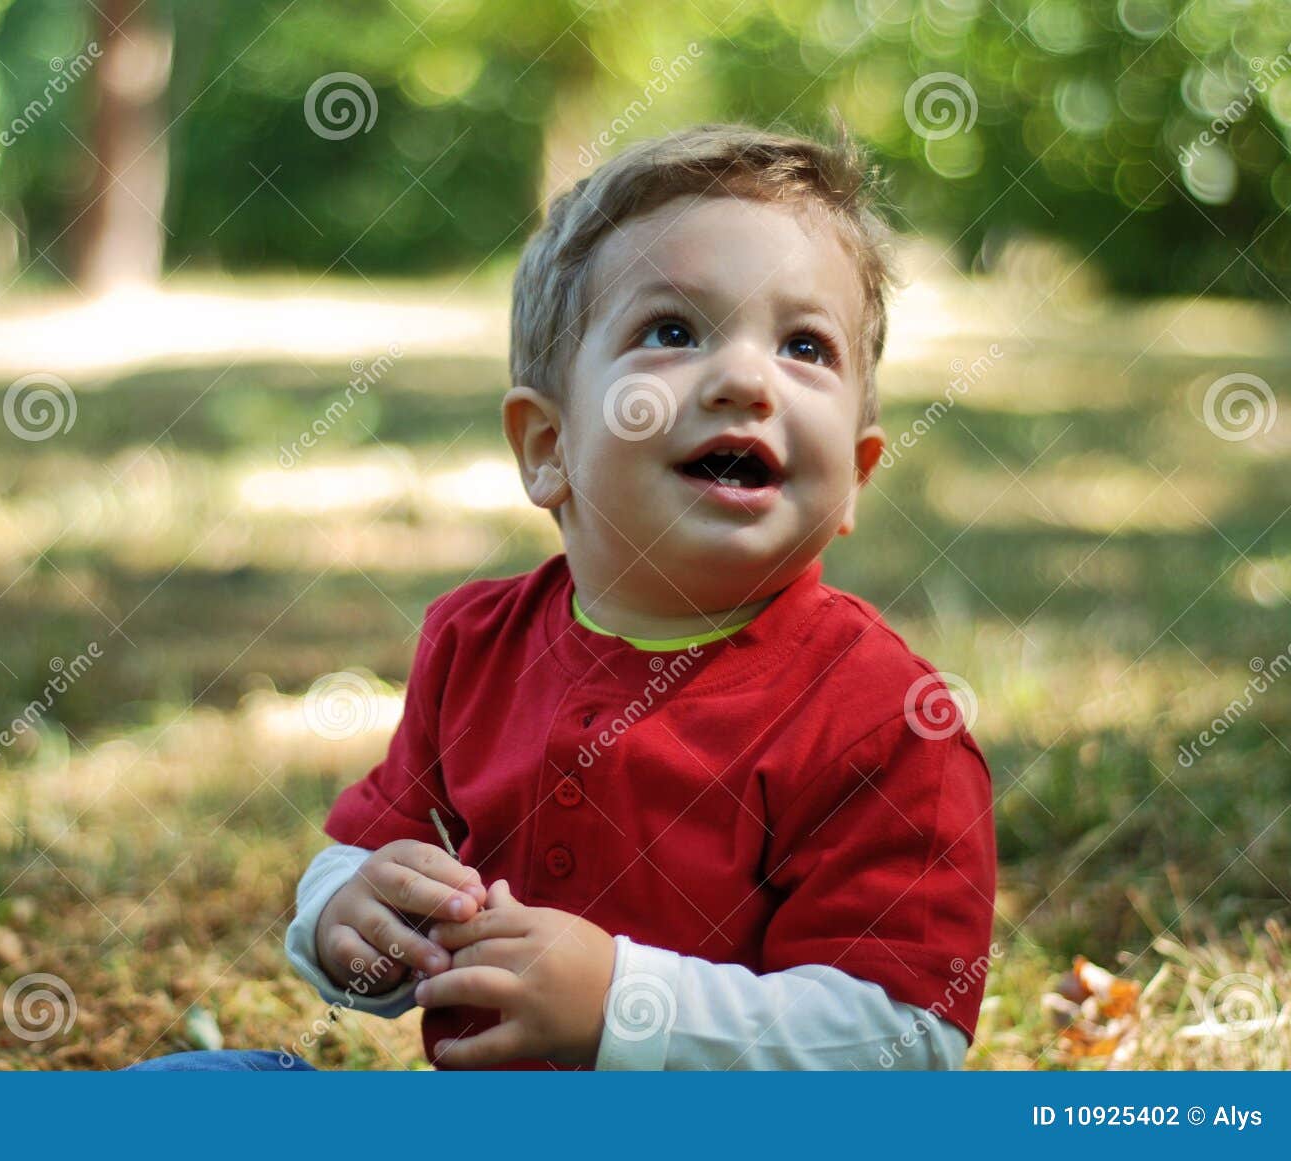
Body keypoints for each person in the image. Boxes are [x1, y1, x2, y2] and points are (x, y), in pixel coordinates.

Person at [127, 121, 996, 1073]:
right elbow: (370, 844)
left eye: (805, 346)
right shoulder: (478, 644)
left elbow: (908, 1039)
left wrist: (623, 1005)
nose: (748, 378)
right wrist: (350, 911)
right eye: (673, 330)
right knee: (194, 1089)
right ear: (548, 447)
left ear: (858, 478)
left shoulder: (885, 720)